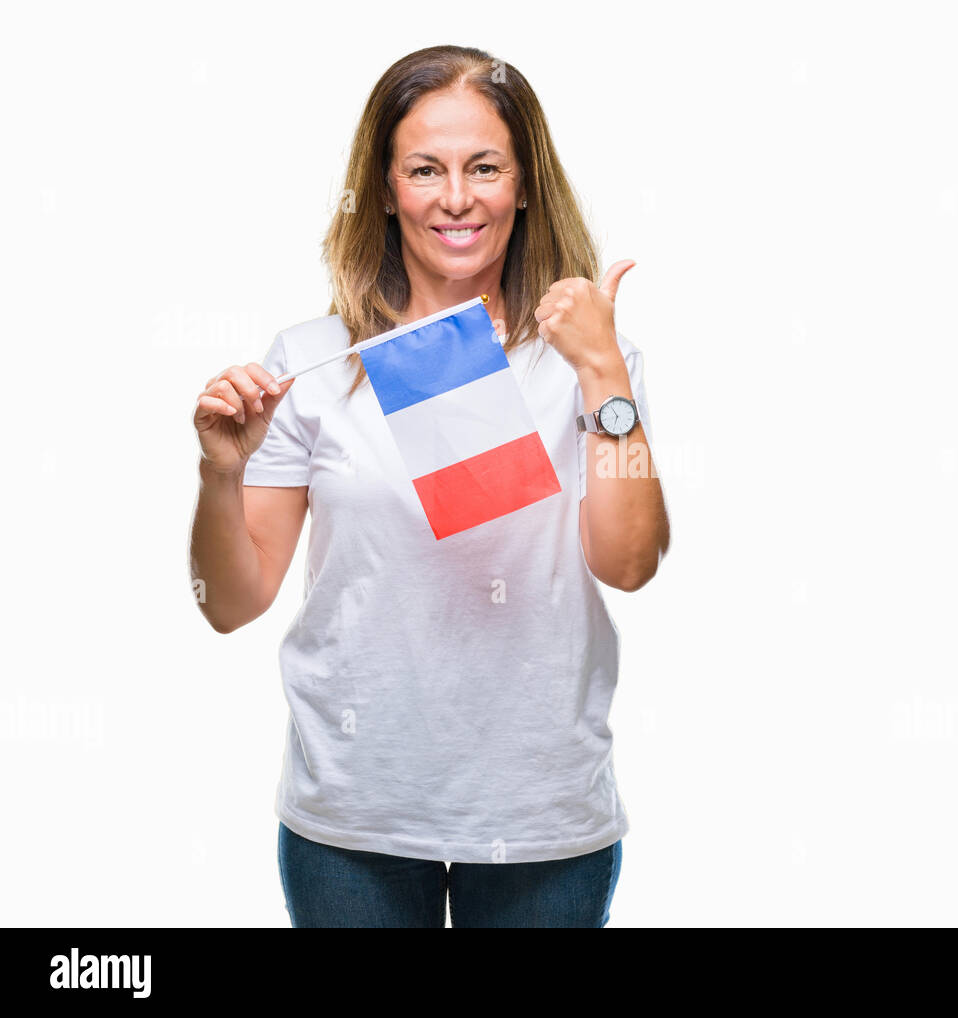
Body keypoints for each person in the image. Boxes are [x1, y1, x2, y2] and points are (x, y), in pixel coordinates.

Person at [187, 45, 669, 928]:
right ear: (382, 187)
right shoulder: (310, 362)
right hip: (353, 814)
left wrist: (604, 375)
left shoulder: (588, 358)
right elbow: (228, 601)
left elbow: (630, 562)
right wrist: (222, 475)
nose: (456, 197)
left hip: (540, 815)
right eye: (424, 169)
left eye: (484, 167)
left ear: (524, 185)